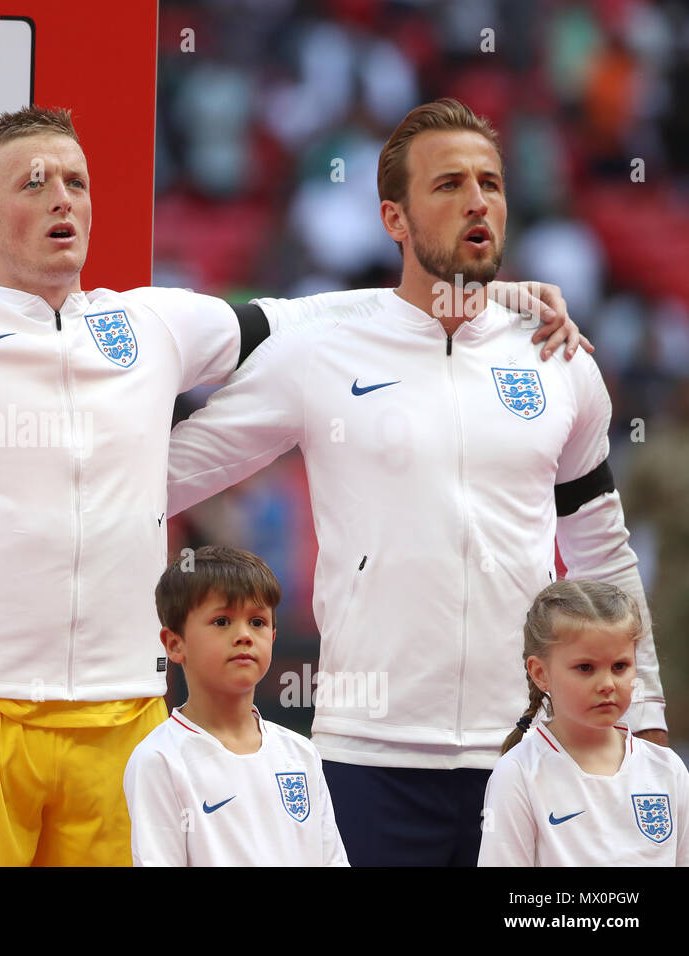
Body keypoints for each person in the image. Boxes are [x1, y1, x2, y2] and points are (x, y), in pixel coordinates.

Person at [0, 104, 580, 867]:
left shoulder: (152, 324)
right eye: (35, 183)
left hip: (126, 716)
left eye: (77, 181)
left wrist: (483, 292)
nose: (63, 198)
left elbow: (308, 313)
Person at [164, 98, 667, 866]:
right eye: (450, 185)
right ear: (393, 218)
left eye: (491, 184)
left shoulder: (560, 359)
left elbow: (601, 551)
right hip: (368, 756)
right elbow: (161, 476)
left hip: (531, 751)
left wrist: (649, 711)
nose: (477, 201)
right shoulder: (321, 357)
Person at [122, 545, 348, 866]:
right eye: (222, 621)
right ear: (175, 644)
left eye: (257, 622)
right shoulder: (159, 759)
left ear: (272, 635)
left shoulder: (301, 754)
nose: (243, 635)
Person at [478, 580, 687, 866]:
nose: (607, 684)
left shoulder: (668, 769)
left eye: (620, 666)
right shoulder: (518, 773)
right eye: (585, 668)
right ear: (541, 673)